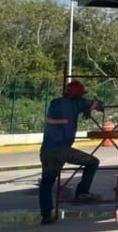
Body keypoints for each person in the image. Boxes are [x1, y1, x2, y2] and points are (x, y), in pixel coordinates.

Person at [38, 80, 105, 224]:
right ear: (79, 94)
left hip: (46, 150)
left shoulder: (55, 102)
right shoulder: (78, 103)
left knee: (47, 182)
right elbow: (100, 104)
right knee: (93, 162)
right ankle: (82, 192)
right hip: (63, 149)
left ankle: (46, 215)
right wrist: (90, 107)